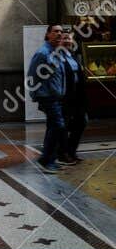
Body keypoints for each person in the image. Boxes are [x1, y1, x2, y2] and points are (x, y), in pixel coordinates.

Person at [29, 25, 71, 173]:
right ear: (48, 35)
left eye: (61, 31)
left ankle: (49, 160)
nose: (59, 34)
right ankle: (45, 160)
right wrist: (36, 95)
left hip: (56, 97)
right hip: (47, 97)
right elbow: (32, 75)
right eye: (55, 31)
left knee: (52, 127)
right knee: (59, 126)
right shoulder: (42, 53)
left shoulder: (56, 52)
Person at [58, 28, 87, 166]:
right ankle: (63, 154)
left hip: (77, 96)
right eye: (64, 38)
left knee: (82, 121)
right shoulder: (56, 57)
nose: (67, 41)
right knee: (63, 126)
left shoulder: (73, 55)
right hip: (64, 97)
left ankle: (71, 151)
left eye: (69, 38)